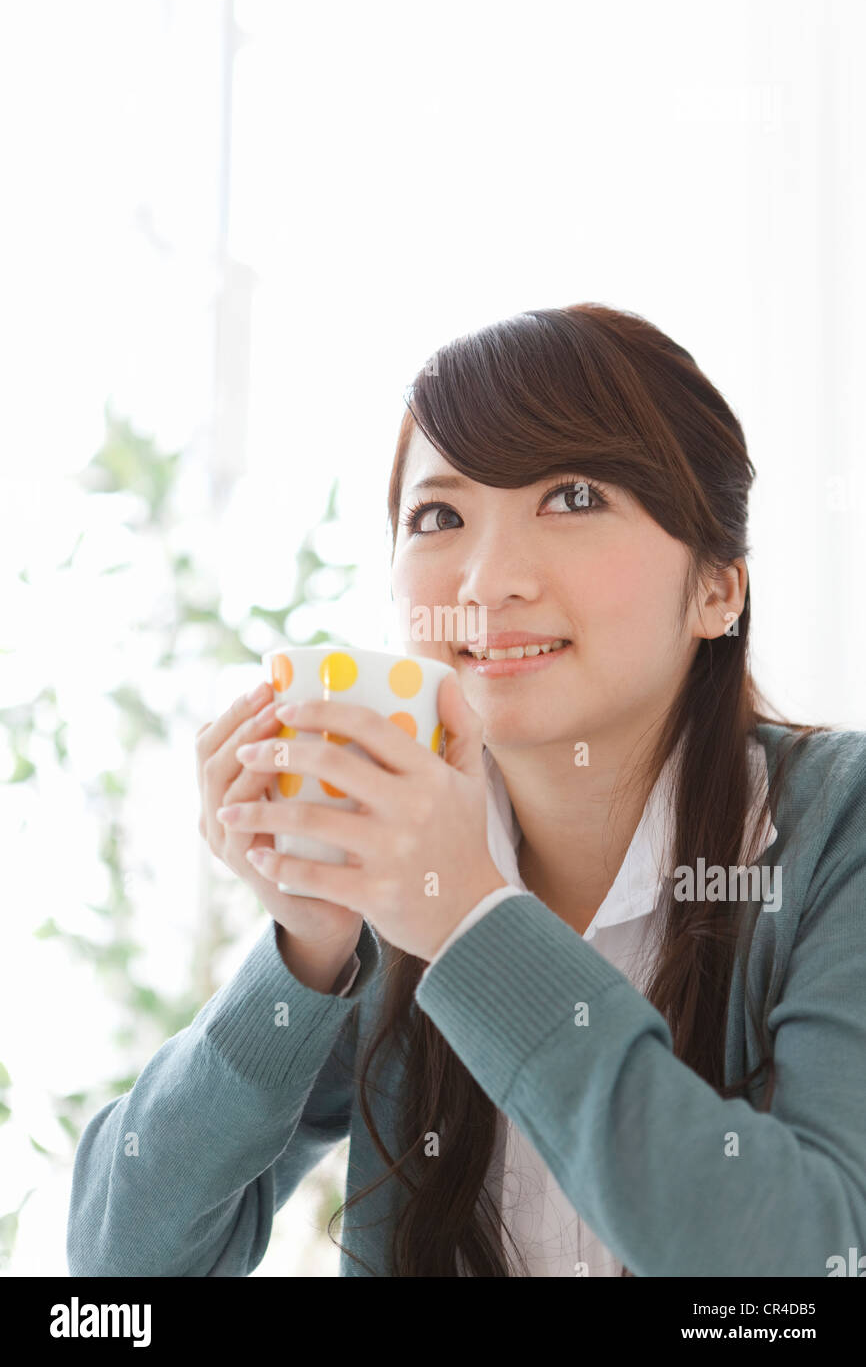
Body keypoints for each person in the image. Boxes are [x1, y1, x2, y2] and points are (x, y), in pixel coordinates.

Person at [67, 303, 866, 1277]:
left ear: (716, 588)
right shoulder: (395, 861)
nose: (485, 583)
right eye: (439, 515)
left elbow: (809, 1264)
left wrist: (470, 923)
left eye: (572, 497)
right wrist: (306, 949)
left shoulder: (837, 829)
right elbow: (121, 1274)